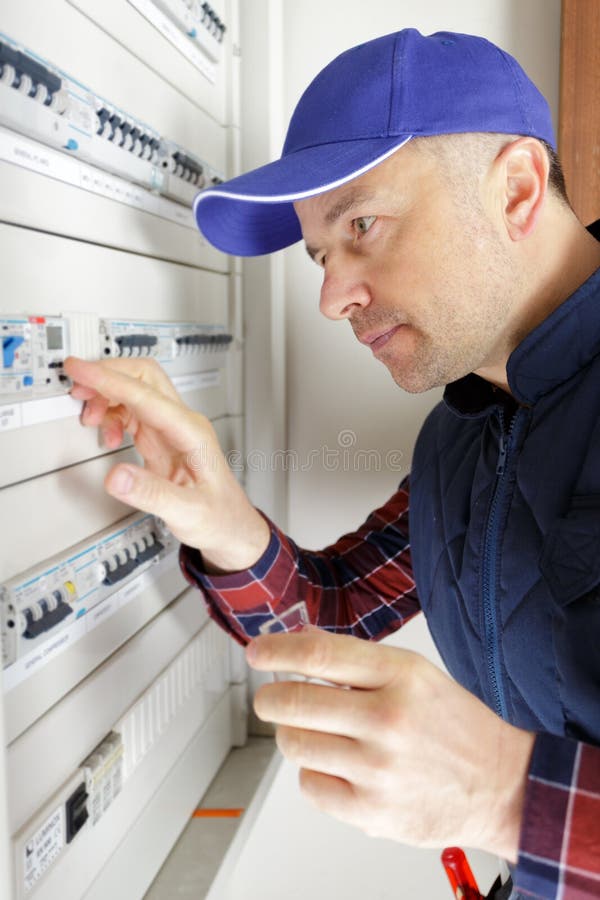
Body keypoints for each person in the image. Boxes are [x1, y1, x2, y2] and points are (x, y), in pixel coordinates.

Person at [64, 29, 600, 900]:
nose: (330, 296)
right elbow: (334, 624)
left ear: (516, 187)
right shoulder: (458, 441)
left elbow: (507, 789)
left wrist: (506, 797)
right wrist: (225, 521)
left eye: (363, 225)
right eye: (321, 253)